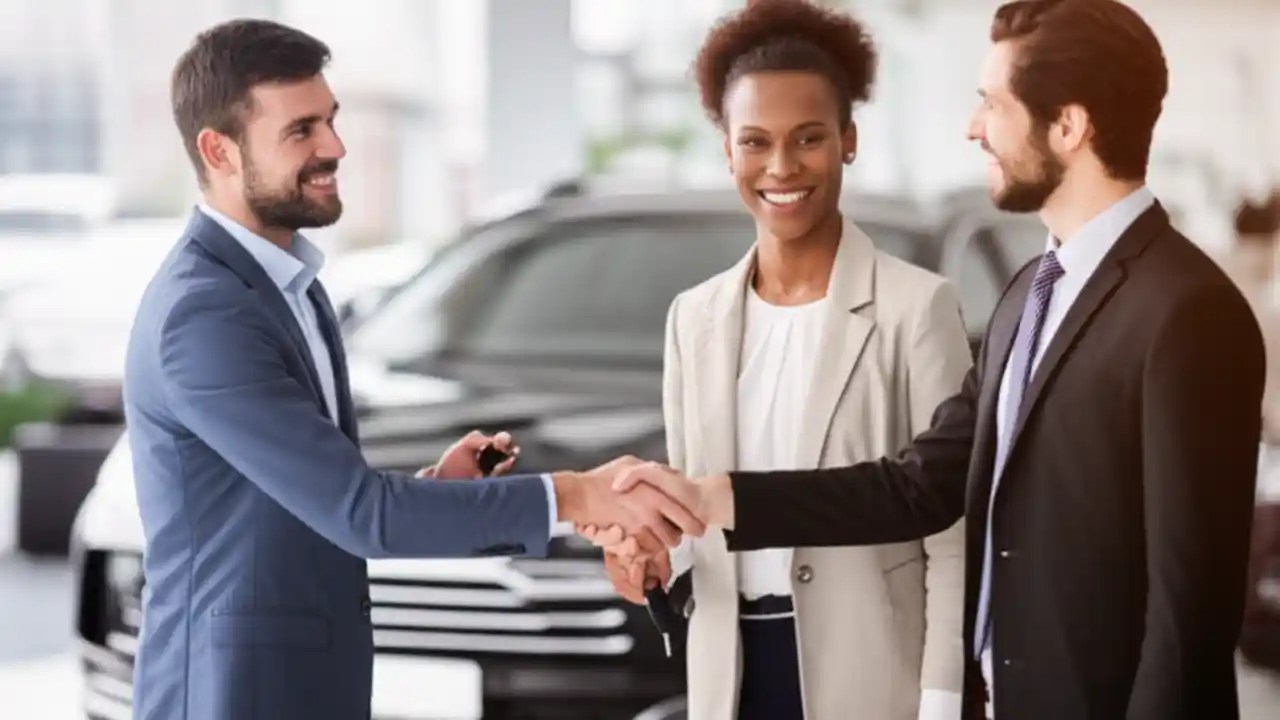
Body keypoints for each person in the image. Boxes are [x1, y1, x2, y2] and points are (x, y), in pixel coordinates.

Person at [611, 1, 1267, 718]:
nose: (973, 126)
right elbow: (917, 486)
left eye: (992, 103)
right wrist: (715, 500)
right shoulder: (1031, 294)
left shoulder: (1188, 311)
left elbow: (1191, 615)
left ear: (1069, 126)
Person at [124, 19, 701, 720]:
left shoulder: (286, 287)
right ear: (218, 150)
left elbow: (305, 502)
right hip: (232, 696)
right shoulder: (206, 315)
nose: (335, 147)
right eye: (301, 130)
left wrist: (436, 491)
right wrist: (579, 494)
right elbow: (361, 516)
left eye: (331, 121)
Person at [582, 2, 969, 718]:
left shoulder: (919, 307)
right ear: (727, 149)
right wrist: (655, 561)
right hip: (728, 673)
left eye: (809, 138)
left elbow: (951, 537)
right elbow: (699, 520)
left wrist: (941, 702)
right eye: (755, 141)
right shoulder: (693, 320)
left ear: (848, 140)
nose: (782, 167)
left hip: (874, 676)